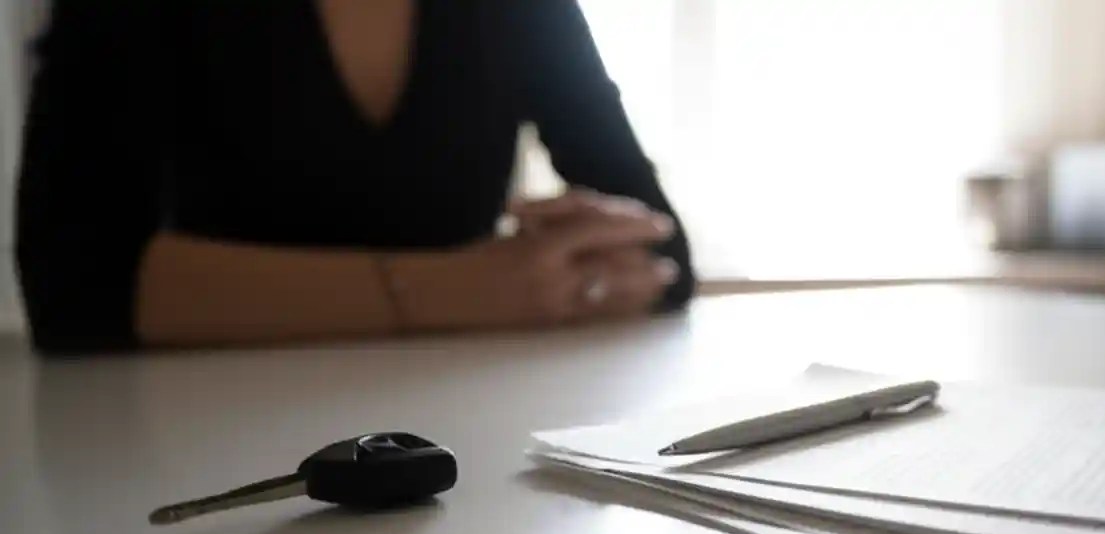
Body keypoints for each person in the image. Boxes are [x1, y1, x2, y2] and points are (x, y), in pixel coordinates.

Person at [16, 0, 695, 354]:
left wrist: (585, 267)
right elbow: (73, 289)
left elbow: (663, 250)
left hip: (460, 431)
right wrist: (452, 289)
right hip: (188, 430)